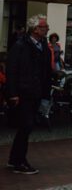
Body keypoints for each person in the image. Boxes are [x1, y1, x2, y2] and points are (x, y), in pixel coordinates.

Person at [5, 14, 52, 175]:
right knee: (26, 126)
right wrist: (12, 93)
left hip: (36, 92)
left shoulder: (43, 46)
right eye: (44, 27)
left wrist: (46, 93)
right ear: (35, 29)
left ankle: (15, 159)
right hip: (23, 92)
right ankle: (19, 162)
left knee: (26, 127)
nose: (47, 29)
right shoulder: (20, 45)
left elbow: (46, 71)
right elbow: (12, 71)